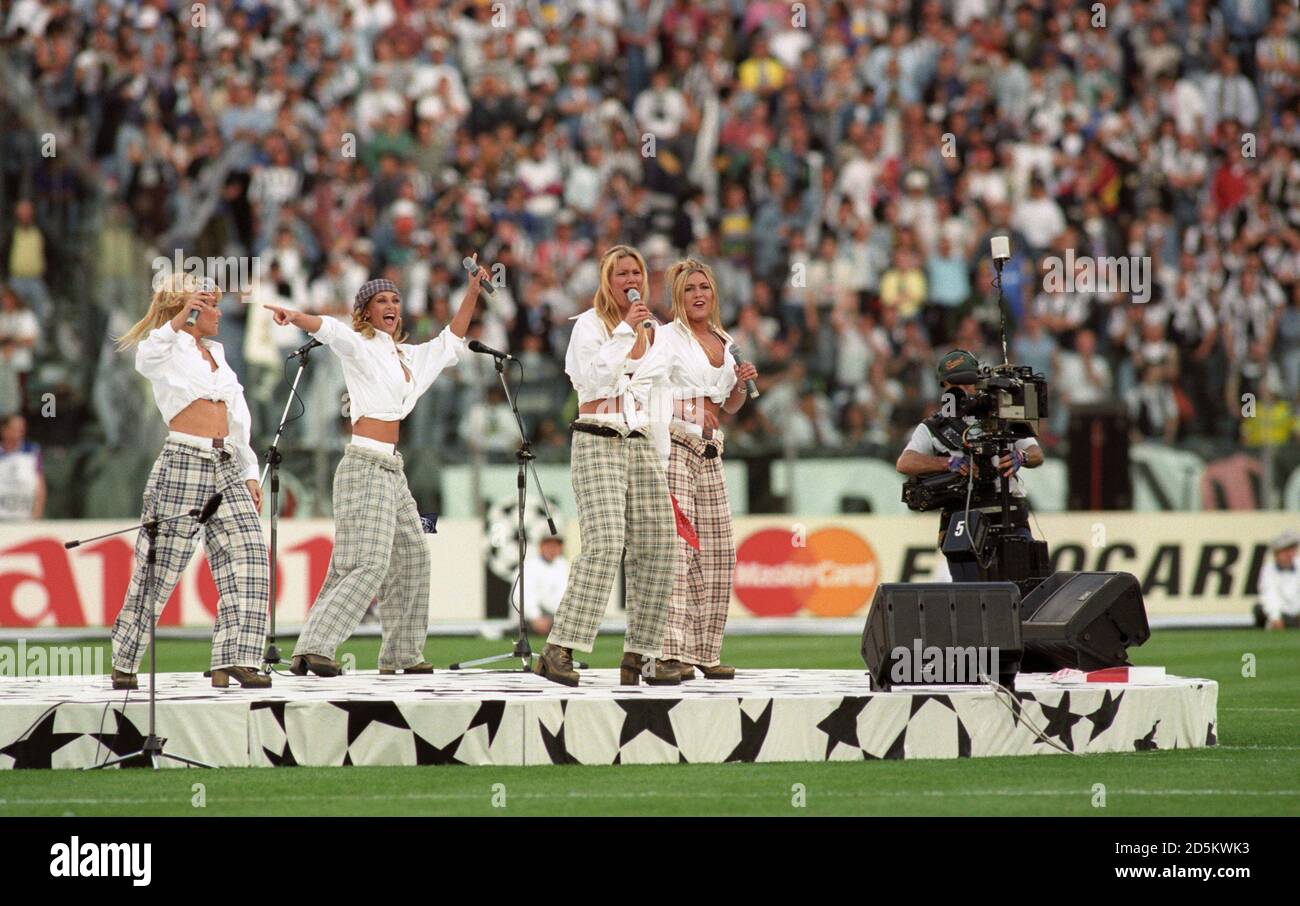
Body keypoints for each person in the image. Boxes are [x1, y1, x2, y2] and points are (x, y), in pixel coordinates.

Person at [265, 260, 489, 676]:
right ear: (365, 311)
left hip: (392, 469)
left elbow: (451, 338)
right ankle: (315, 647)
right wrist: (296, 317)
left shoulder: (410, 357)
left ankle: (401, 654)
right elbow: (330, 331)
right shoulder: (361, 346)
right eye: (381, 300)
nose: (391, 305)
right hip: (364, 464)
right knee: (367, 563)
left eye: (396, 299)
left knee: (415, 553)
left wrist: (473, 291)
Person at [112, 273, 270, 690]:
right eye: (211, 305)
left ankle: (236, 658)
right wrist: (181, 316)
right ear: (193, 310)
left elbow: (239, 421)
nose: (220, 312)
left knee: (251, 556)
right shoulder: (166, 347)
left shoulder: (217, 354)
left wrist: (250, 471)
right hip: (184, 460)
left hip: (228, 462)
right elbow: (145, 357)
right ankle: (125, 657)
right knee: (160, 565)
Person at [534, 244, 679, 687]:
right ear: (607, 281)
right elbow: (592, 380)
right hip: (598, 435)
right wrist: (624, 334)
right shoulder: (589, 326)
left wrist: (662, 454)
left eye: (636, 272)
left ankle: (643, 655)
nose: (630, 280)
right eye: (621, 274)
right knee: (605, 543)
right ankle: (559, 647)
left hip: (640, 442)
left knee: (661, 543)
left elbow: (659, 399)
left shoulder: (657, 333)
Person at [657, 258, 757, 680]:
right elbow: (643, 391)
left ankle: (705, 651)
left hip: (711, 451)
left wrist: (738, 387)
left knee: (719, 553)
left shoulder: (724, 338)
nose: (698, 295)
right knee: (677, 553)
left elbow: (728, 409)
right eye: (689, 289)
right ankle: (667, 652)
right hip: (675, 446)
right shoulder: (662, 338)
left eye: (705, 288)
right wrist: (687, 408)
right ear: (677, 297)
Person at [895, 349, 1044, 581]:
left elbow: (1036, 453)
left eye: (970, 382)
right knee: (970, 593)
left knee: (1023, 586)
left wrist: (1020, 457)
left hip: (1008, 511)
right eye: (957, 384)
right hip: (963, 516)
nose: (966, 389)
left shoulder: (1002, 415)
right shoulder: (934, 426)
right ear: (945, 386)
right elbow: (905, 462)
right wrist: (949, 463)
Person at [518, 534, 569, 637]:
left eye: (555, 546)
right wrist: (535, 617)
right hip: (530, 622)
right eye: (549, 545)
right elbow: (524, 595)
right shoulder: (528, 566)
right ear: (541, 547)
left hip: (555, 621)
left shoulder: (564, 566)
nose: (552, 549)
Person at [0, 414, 45, 520]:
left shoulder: (32, 451)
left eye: (22, 429)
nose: (19, 432)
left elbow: (40, 484)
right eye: (15, 429)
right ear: (4, 430)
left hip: (24, 515)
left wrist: (37, 513)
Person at [1254, 530, 1300, 630]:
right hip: (1283, 614)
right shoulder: (1268, 570)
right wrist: (1275, 618)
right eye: (1285, 551)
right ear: (1276, 554)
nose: (1289, 555)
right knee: (1259, 609)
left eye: (1291, 550)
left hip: (1297, 613)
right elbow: (1269, 595)